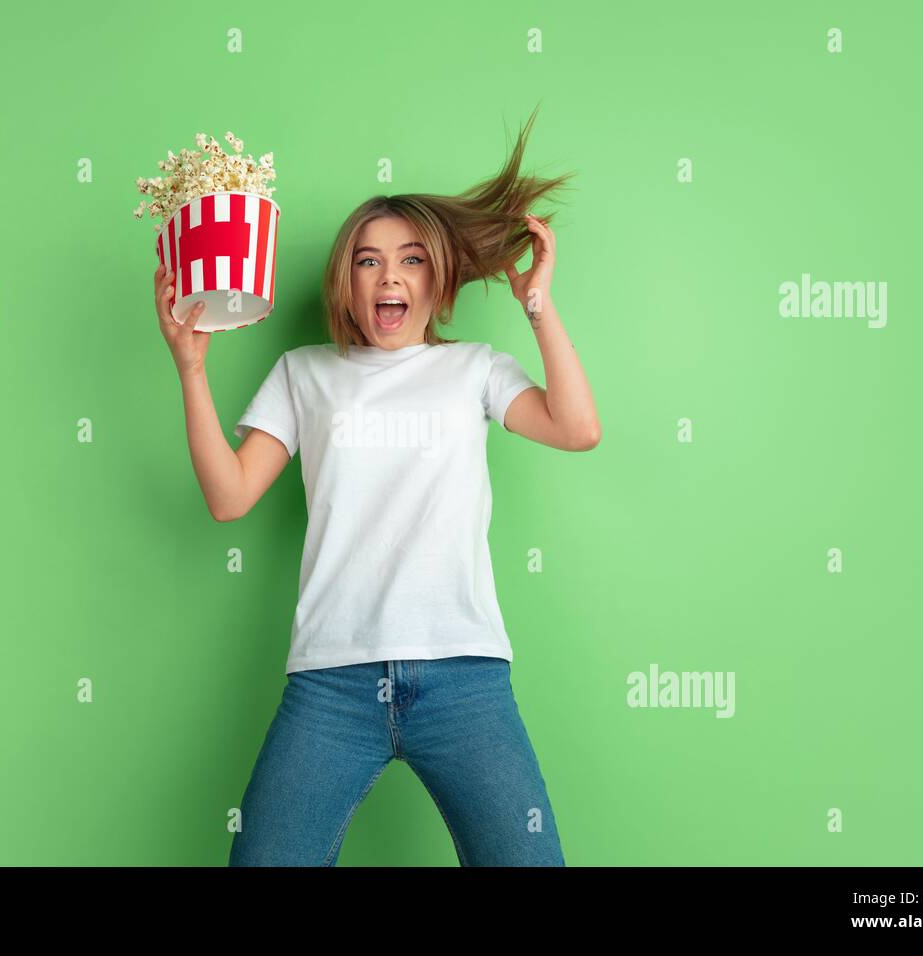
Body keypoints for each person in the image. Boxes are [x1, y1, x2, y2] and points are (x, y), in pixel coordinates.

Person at [154, 108, 600, 866]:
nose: (389, 275)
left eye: (411, 260)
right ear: (347, 280)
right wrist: (191, 370)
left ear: (439, 277)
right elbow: (228, 497)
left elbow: (576, 427)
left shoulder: (475, 370)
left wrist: (538, 304)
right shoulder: (304, 372)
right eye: (367, 261)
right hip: (332, 680)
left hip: (464, 675)